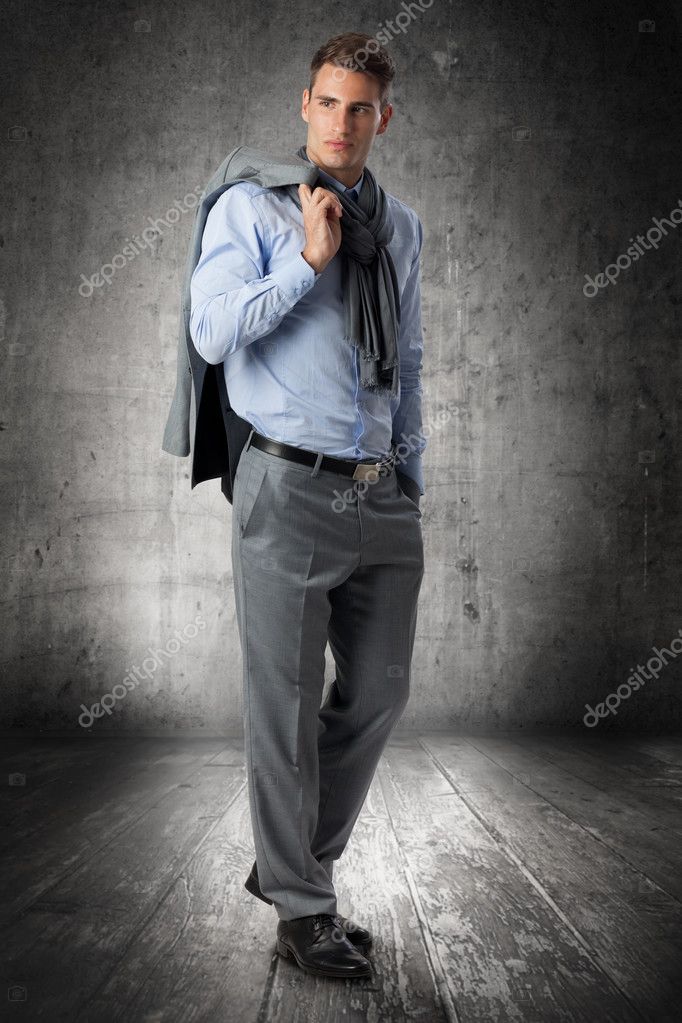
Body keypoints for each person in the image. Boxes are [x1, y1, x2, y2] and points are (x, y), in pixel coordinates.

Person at [190, 31, 426, 979]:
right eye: (327, 103)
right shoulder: (251, 210)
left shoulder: (403, 224)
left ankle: (290, 871)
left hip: (380, 496)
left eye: (359, 107)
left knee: (377, 694)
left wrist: (410, 472)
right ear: (304, 104)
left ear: (384, 117)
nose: (341, 123)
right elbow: (212, 333)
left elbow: (405, 360)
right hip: (285, 487)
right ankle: (303, 906)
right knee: (281, 708)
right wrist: (305, 265)